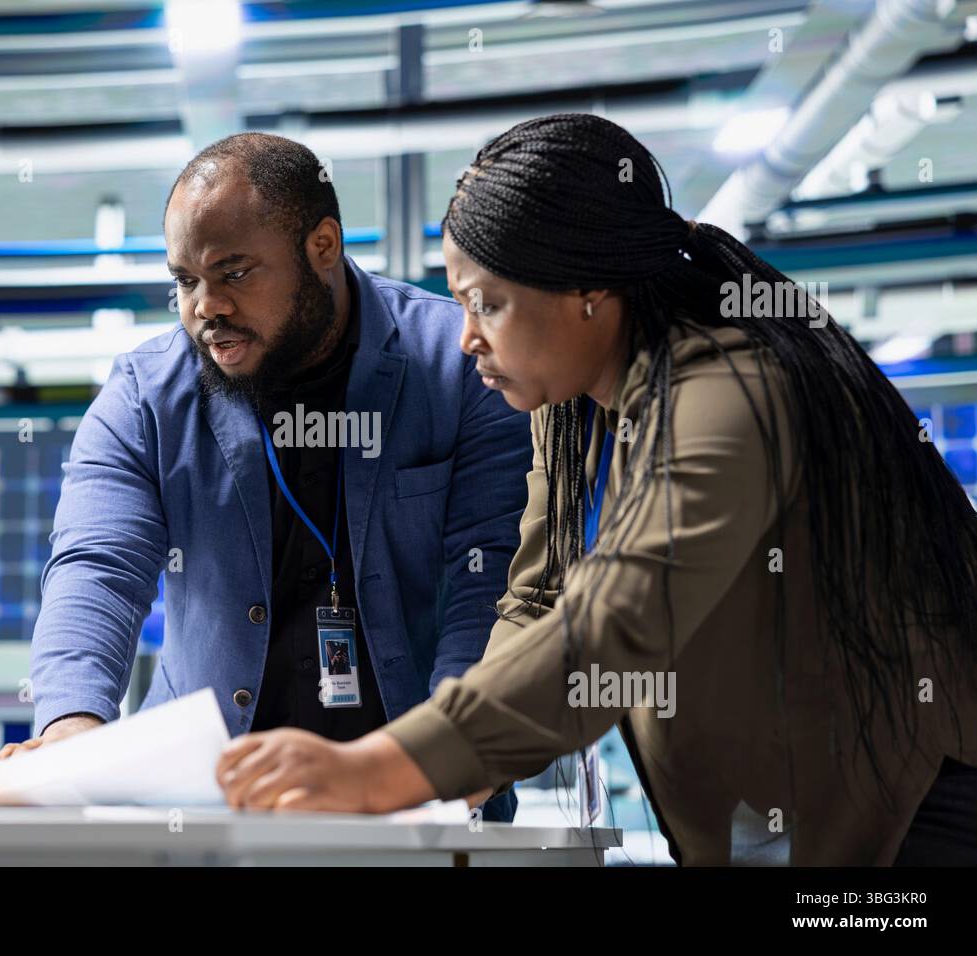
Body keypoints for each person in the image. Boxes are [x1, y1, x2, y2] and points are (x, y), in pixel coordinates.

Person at [215, 114, 977, 865]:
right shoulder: (572, 404)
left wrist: (379, 768)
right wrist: (460, 780)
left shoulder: (730, 392)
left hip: (908, 822)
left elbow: (620, 623)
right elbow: (541, 602)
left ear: (585, 287)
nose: (466, 335)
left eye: (488, 303)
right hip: (774, 824)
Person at [2, 132, 531, 821]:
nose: (205, 307)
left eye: (235, 272)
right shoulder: (143, 397)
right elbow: (96, 568)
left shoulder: (459, 367)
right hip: (203, 816)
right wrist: (72, 728)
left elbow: (488, 580)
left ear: (323, 247)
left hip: (415, 807)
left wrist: (451, 758)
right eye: (185, 281)